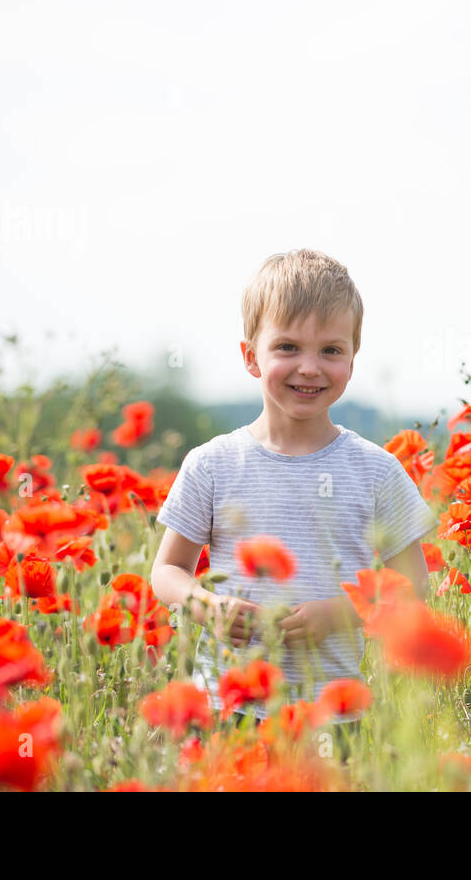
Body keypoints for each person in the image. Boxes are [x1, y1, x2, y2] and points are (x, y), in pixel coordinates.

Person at [149, 249, 435, 742]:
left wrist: (339, 613)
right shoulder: (213, 464)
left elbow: (413, 583)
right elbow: (167, 571)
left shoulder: (375, 470)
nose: (309, 367)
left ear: (352, 358)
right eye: (287, 347)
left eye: (330, 350)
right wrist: (204, 605)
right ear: (249, 357)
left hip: (332, 714)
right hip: (226, 706)